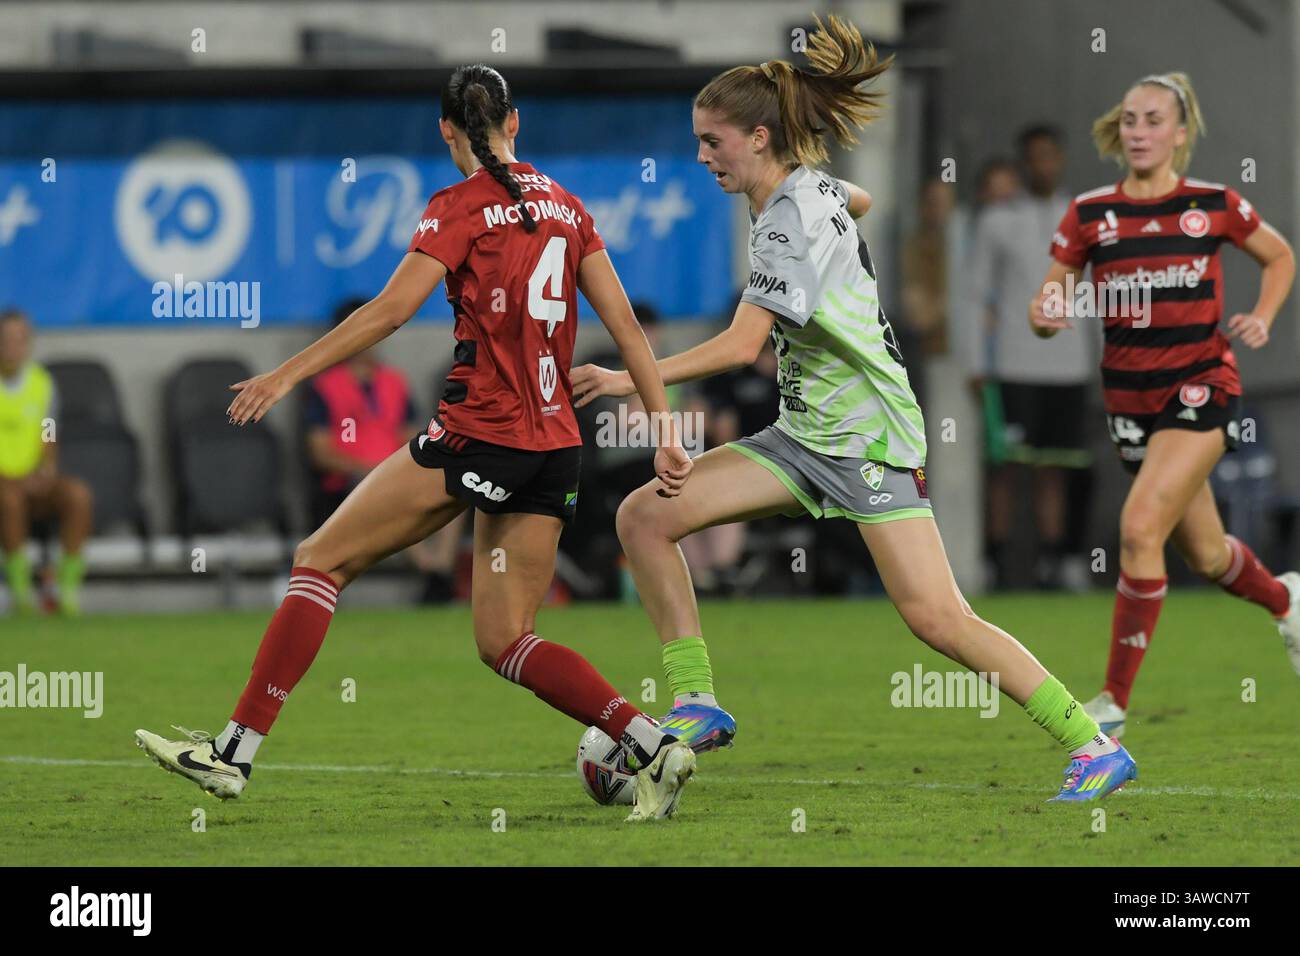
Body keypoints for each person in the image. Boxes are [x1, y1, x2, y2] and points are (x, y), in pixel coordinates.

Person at [573, 15, 1136, 801]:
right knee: (643, 516)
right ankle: (697, 701)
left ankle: (1090, 742)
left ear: (761, 137)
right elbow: (857, 195)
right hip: (806, 433)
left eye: (714, 142)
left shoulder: (787, 223)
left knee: (936, 618)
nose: (702, 157)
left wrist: (631, 377)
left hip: (868, 437)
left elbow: (741, 348)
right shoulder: (804, 192)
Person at [136, 64, 697, 822]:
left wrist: (286, 374)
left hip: (478, 436)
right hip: (553, 446)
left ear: (445, 132)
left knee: (319, 561)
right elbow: (628, 329)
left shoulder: (457, 208)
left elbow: (392, 311)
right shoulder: (569, 208)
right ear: (515, 122)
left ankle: (234, 752)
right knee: (506, 640)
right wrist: (665, 431)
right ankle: (652, 742)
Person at [1031, 72, 1300, 736]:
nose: (1140, 131)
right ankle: (1286, 600)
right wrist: (1046, 313)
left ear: (1180, 134)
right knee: (1208, 556)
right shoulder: (1090, 213)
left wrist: (1263, 315)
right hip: (1130, 403)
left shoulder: (1214, 204)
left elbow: (1280, 256)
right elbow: (1048, 304)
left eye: (1154, 120)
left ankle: (1113, 706)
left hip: (1201, 386)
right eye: (1130, 120)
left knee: (1138, 528)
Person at [966, 125, 1095, 590]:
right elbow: (976, 294)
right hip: (1015, 366)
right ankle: (993, 562)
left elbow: (1095, 294)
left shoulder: (1084, 217)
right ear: (1024, 163)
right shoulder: (997, 220)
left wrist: (1105, 358)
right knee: (1006, 467)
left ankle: (1055, 563)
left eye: (1050, 156)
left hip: (1069, 366)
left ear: (1060, 160)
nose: (1043, 165)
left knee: (1056, 468)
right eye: (1034, 157)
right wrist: (978, 363)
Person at [0, 308, 92, 616]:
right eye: (5, 339)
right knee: (8, 500)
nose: (11, 346)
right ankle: (22, 594)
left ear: (27, 344)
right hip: (4, 484)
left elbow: (48, 432)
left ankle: (65, 590)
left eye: (18, 339)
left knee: (77, 495)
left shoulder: (42, 384)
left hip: (33, 480)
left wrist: (46, 470)